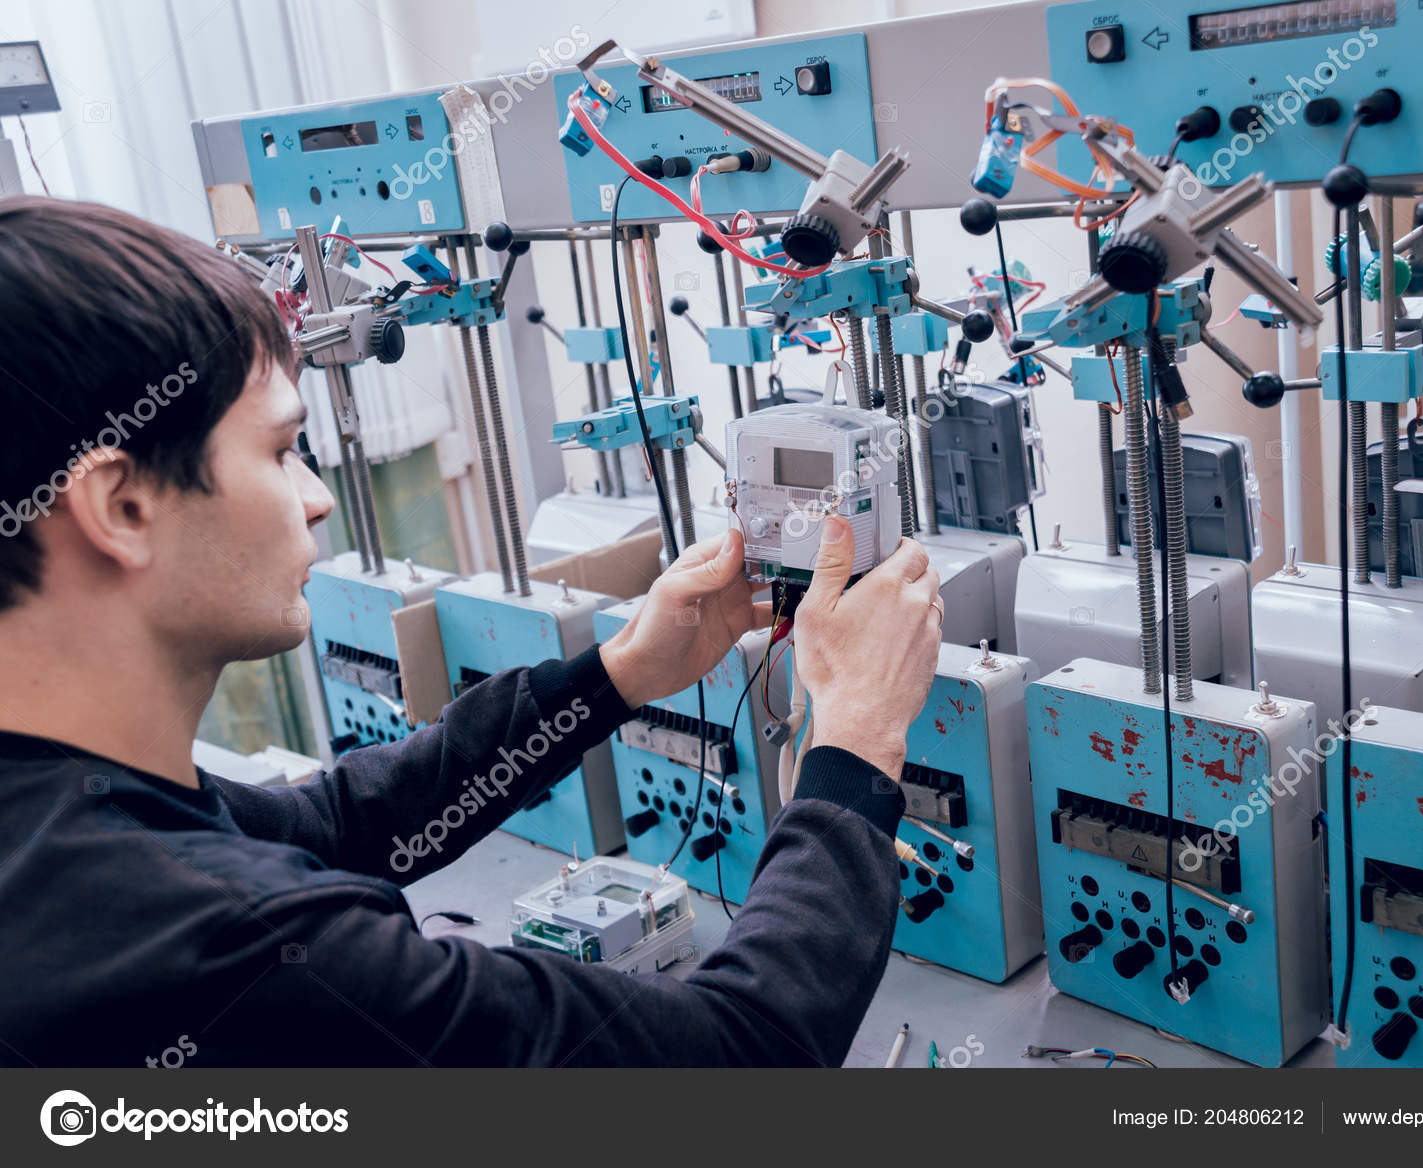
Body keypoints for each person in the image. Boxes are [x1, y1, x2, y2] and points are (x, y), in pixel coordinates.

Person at [0, 196, 941, 1067]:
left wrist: (616, 677)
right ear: (121, 506)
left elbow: (336, 825)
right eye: (283, 451)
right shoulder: (233, 948)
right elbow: (742, 1058)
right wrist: (855, 742)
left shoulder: (67, 818)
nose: (320, 498)